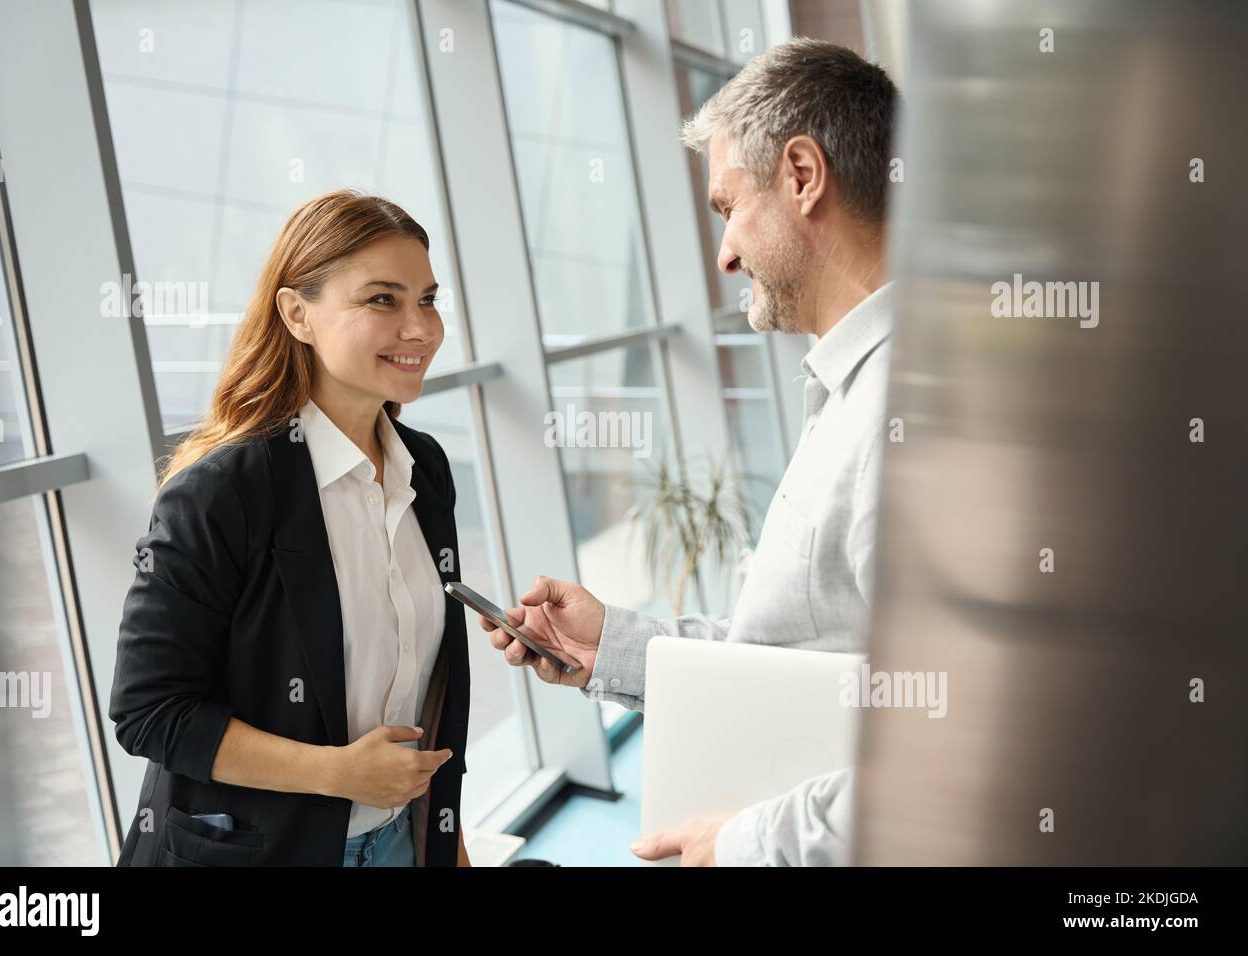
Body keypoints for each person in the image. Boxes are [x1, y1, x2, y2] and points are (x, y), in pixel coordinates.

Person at [480, 37, 898, 866]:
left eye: (727, 207)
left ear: (803, 175)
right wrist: (614, 648)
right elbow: (795, 653)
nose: (725, 255)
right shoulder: (851, 391)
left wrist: (741, 843)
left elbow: (963, 739)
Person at [110, 190, 470, 866]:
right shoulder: (221, 493)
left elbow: (430, 693)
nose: (420, 328)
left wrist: (444, 844)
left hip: (401, 842)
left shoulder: (425, 466)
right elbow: (149, 711)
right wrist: (336, 773)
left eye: (427, 299)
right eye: (383, 300)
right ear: (296, 313)